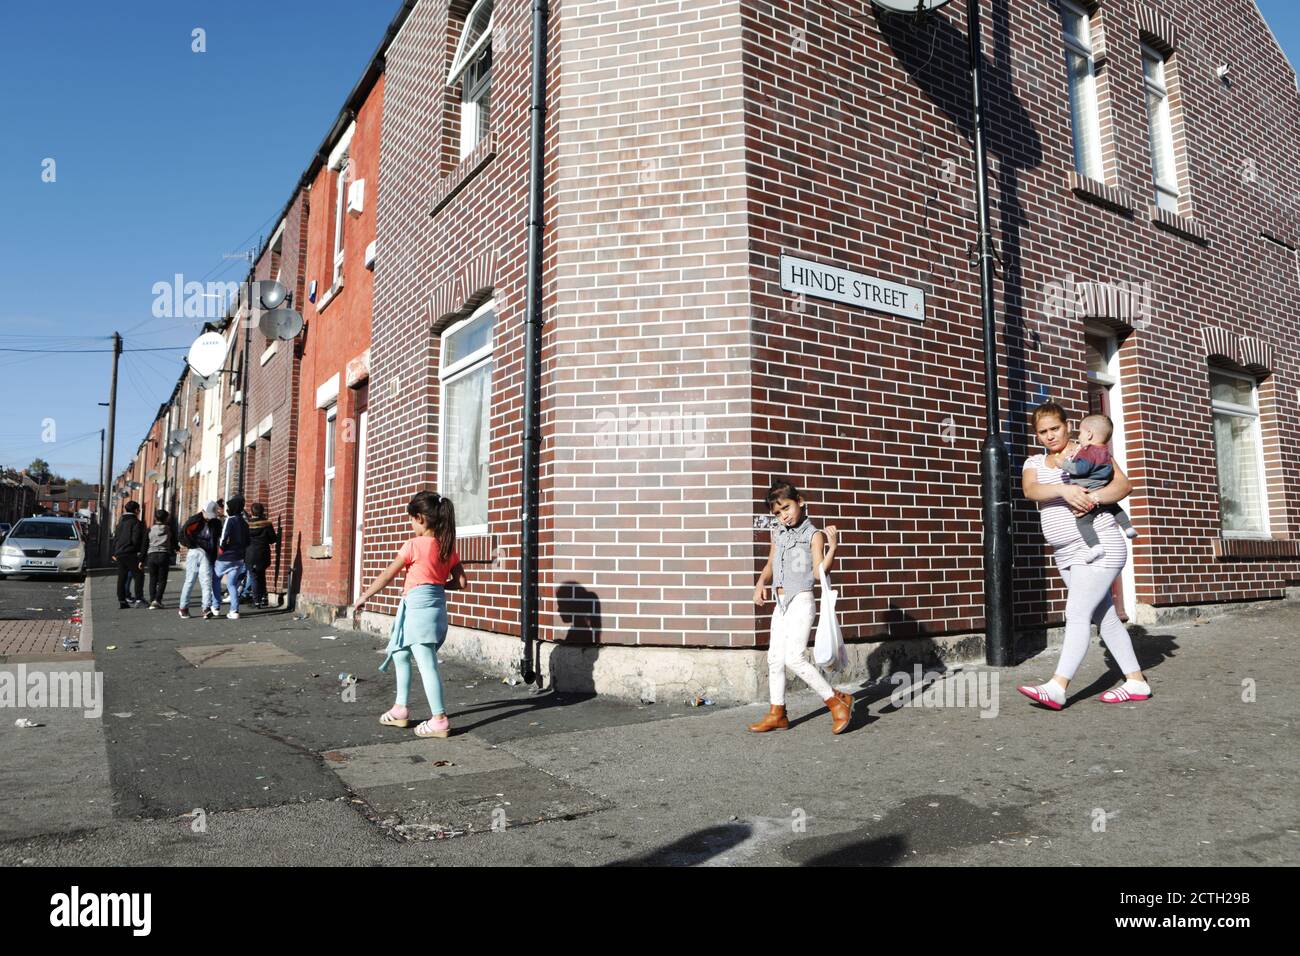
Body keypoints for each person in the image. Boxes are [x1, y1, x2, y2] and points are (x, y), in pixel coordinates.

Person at [1018, 401, 1152, 709]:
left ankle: (1057, 686)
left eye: (1055, 428)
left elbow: (1123, 484)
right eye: (1043, 432)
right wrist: (1064, 491)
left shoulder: (1088, 450)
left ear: (1067, 425)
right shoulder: (1034, 463)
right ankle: (1136, 682)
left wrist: (1092, 497)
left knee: (1076, 613)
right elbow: (1030, 490)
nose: (1050, 436)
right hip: (1065, 554)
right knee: (1103, 617)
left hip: (1099, 544)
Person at [354, 491, 467, 739]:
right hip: (435, 610)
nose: (411, 525)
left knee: (426, 665)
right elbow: (461, 582)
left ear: (420, 518)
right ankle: (400, 709)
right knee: (401, 653)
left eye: (412, 520)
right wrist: (435, 585)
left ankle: (439, 719)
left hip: (417, 612)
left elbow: (387, 575)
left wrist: (364, 596)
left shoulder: (413, 545)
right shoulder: (447, 546)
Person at [748, 479, 854, 735]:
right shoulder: (778, 534)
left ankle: (836, 701)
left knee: (794, 658)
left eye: (786, 508)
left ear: (800, 502)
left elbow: (819, 573)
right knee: (774, 658)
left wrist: (833, 549)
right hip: (781, 603)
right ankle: (778, 712)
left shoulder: (813, 535)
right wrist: (761, 582)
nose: (783, 516)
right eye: (777, 513)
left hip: (802, 600)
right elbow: (771, 563)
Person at [1059, 414, 1139, 561]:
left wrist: (1063, 464)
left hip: (1089, 491)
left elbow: (1080, 469)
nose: (1079, 436)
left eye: (1081, 433)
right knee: (1114, 507)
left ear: (1089, 434)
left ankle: (1095, 546)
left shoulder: (1089, 451)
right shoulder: (1105, 452)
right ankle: (1128, 527)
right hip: (1103, 491)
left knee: (1083, 522)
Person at [177, 501, 220, 619]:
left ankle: (206, 608)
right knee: (190, 580)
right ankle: (183, 608)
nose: (210, 518)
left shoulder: (216, 522)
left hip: (207, 553)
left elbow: (216, 539)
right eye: (208, 515)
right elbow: (182, 535)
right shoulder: (194, 520)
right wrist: (191, 544)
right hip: (194, 551)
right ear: (203, 511)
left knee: (206, 581)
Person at [214, 495, 250, 620]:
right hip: (239, 558)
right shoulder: (244, 523)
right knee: (232, 584)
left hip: (226, 556)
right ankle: (234, 610)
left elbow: (224, 537)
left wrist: (221, 550)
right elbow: (248, 541)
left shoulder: (230, 520)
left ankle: (215, 606)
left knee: (216, 579)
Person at [110, 501, 148, 609]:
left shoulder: (120, 523)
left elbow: (116, 538)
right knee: (139, 575)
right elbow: (137, 539)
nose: (139, 511)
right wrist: (141, 555)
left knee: (122, 577)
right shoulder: (137, 523)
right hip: (131, 552)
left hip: (119, 553)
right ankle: (139, 599)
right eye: (139, 509)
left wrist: (114, 552)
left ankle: (122, 600)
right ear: (136, 510)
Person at [245, 503, 279, 609]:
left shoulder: (247, 524)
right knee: (262, 574)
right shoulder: (267, 524)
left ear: (251, 512)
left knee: (254, 577)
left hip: (250, 553)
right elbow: (273, 539)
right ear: (262, 511)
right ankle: (264, 597)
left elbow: (243, 539)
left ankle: (256, 601)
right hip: (263, 553)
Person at [144, 509, 177, 608]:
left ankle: (152, 600)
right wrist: (177, 548)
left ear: (155, 518)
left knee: (153, 578)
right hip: (164, 555)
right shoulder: (169, 529)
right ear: (166, 518)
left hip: (151, 555)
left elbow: (145, 543)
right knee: (162, 579)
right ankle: (158, 600)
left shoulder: (150, 529)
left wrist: (141, 558)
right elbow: (174, 541)